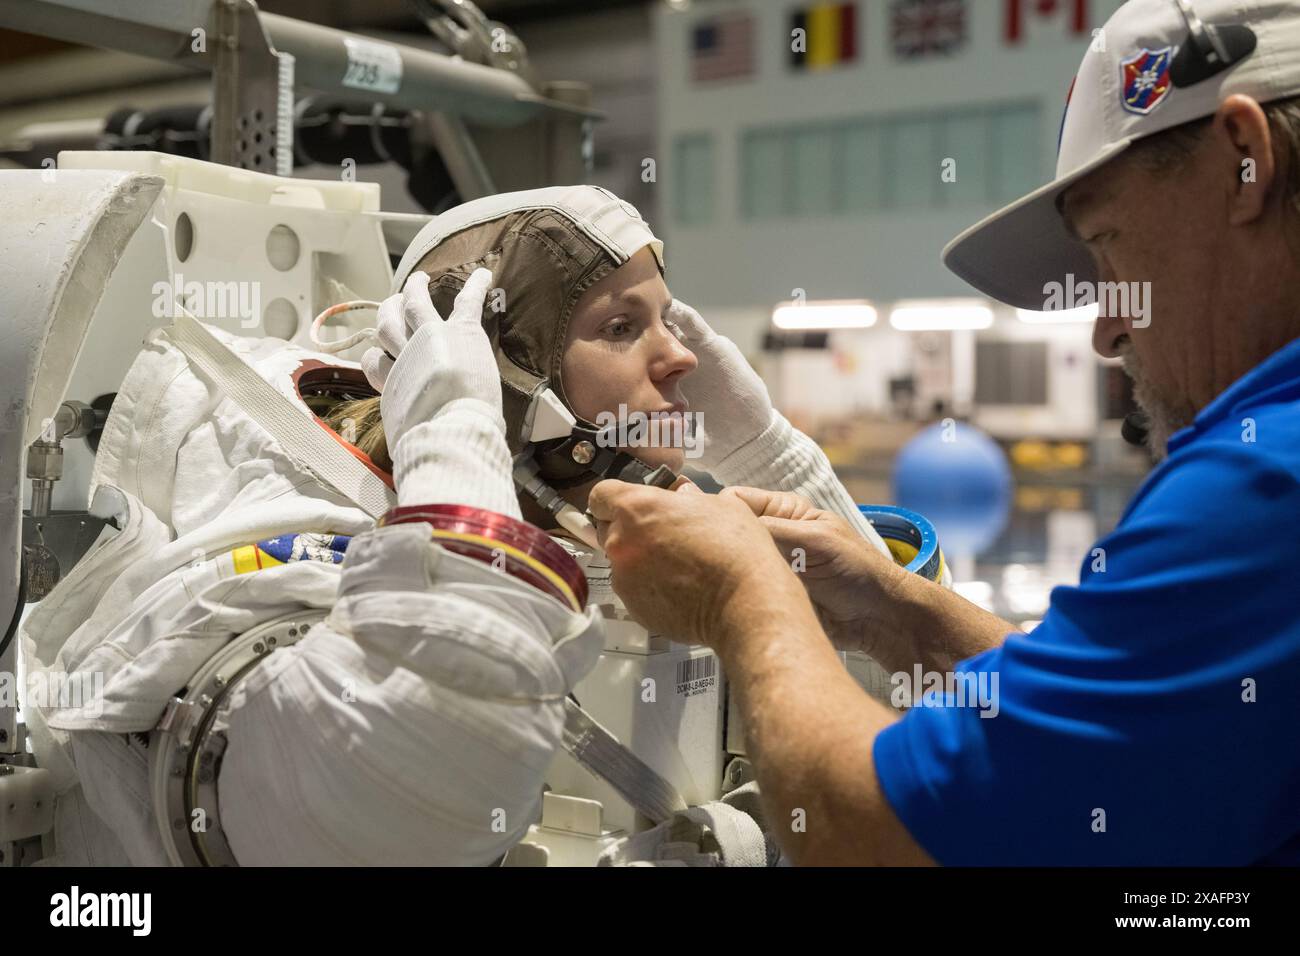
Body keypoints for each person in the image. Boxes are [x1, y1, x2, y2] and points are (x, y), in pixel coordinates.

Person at [584, 0, 1300, 865]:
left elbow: (878, 833)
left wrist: (741, 597)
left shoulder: (1262, 487)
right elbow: (1109, 708)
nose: (1106, 329)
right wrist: (894, 611)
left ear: (1243, 163)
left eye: (1110, 248)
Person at [19, 185, 888, 866]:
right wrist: (454, 435)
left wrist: (766, 452)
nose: (686, 358)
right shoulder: (320, 518)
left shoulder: (654, 535)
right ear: (503, 364)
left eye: (670, 320)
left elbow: (905, 719)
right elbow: (421, 765)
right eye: (623, 327)